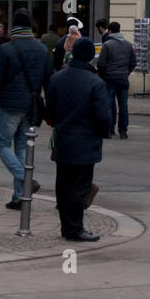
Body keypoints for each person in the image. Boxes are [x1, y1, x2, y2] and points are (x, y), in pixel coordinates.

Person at [46, 37, 110, 241]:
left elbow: (50, 112)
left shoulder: (57, 78)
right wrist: (103, 132)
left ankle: (67, 226)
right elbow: (103, 116)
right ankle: (74, 228)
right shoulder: (96, 83)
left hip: (63, 139)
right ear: (91, 57)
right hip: (85, 141)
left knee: (63, 185)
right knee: (79, 187)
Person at [0, 9, 52, 210]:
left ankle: (26, 180)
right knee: (20, 147)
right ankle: (19, 196)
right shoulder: (42, 49)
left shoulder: (5, 49)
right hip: (31, 106)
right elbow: (49, 80)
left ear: (14, 27)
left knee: (1, 145)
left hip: (10, 104)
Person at [96, 21, 137, 139]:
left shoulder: (107, 45)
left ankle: (109, 130)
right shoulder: (128, 45)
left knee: (109, 105)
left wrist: (103, 76)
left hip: (109, 79)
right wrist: (126, 72)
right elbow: (133, 62)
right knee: (123, 106)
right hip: (123, 78)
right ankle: (123, 131)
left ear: (109, 31)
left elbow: (101, 64)